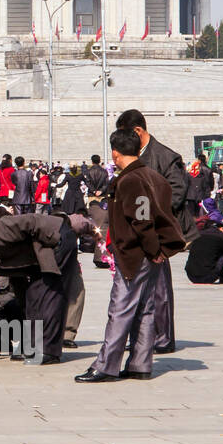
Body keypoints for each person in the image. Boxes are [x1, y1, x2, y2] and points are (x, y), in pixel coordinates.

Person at [76, 128, 186, 383]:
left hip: (136, 255)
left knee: (120, 308)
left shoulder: (131, 180)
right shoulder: (153, 177)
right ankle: (139, 363)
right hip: (149, 253)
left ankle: (105, 365)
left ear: (115, 153)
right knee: (145, 308)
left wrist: (153, 250)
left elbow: (142, 220)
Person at [116, 109, 193, 355]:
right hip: (138, 232)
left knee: (159, 287)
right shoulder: (135, 155)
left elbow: (177, 193)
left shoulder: (166, 156)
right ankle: (144, 336)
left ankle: (162, 338)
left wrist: (150, 216)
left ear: (138, 131)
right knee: (141, 287)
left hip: (156, 232)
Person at [0, 211, 79, 365]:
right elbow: (19, 283)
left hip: (56, 240)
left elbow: (30, 221)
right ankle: (33, 346)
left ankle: (49, 352)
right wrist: (25, 304)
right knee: (33, 299)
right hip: (38, 260)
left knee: (50, 298)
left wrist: (53, 237)